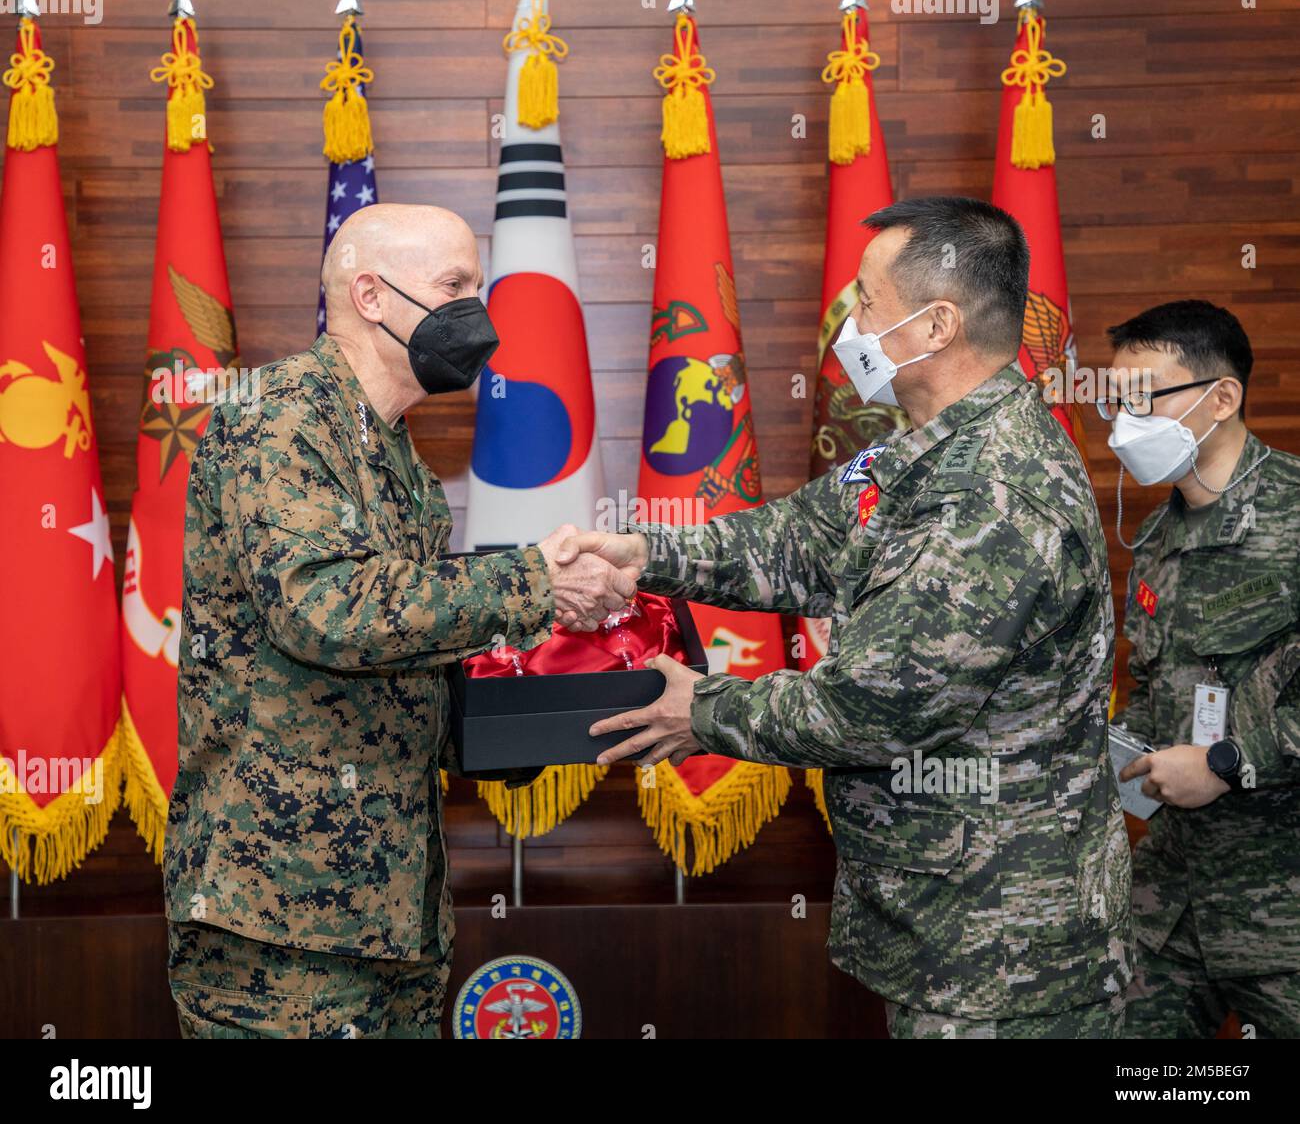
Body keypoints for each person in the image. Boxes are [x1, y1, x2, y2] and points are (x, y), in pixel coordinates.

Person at [567, 196, 1134, 1038]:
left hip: (1006, 950)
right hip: (947, 923)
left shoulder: (993, 492)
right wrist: (644, 553)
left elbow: (877, 706)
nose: (850, 321)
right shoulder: (922, 448)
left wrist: (704, 709)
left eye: (866, 301)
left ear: (936, 323)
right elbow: (798, 540)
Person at [163, 203, 635, 1038]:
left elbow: (403, 649)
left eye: (478, 286)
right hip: (281, 916)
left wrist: (517, 727)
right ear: (372, 296)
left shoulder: (396, 455)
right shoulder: (283, 416)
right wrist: (535, 581)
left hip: (392, 904)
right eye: (454, 287)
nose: (475, 313)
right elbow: (325, 609)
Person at [1100, 300, 1300, 1038]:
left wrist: (1226, 758)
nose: (1125, 421)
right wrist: (1111, 751)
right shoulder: (1153, 539)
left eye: (1144, 398)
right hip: (1173, 907)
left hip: (1282, 910)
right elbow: (1161, 691)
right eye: (1116, 401)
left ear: (1223, 397)